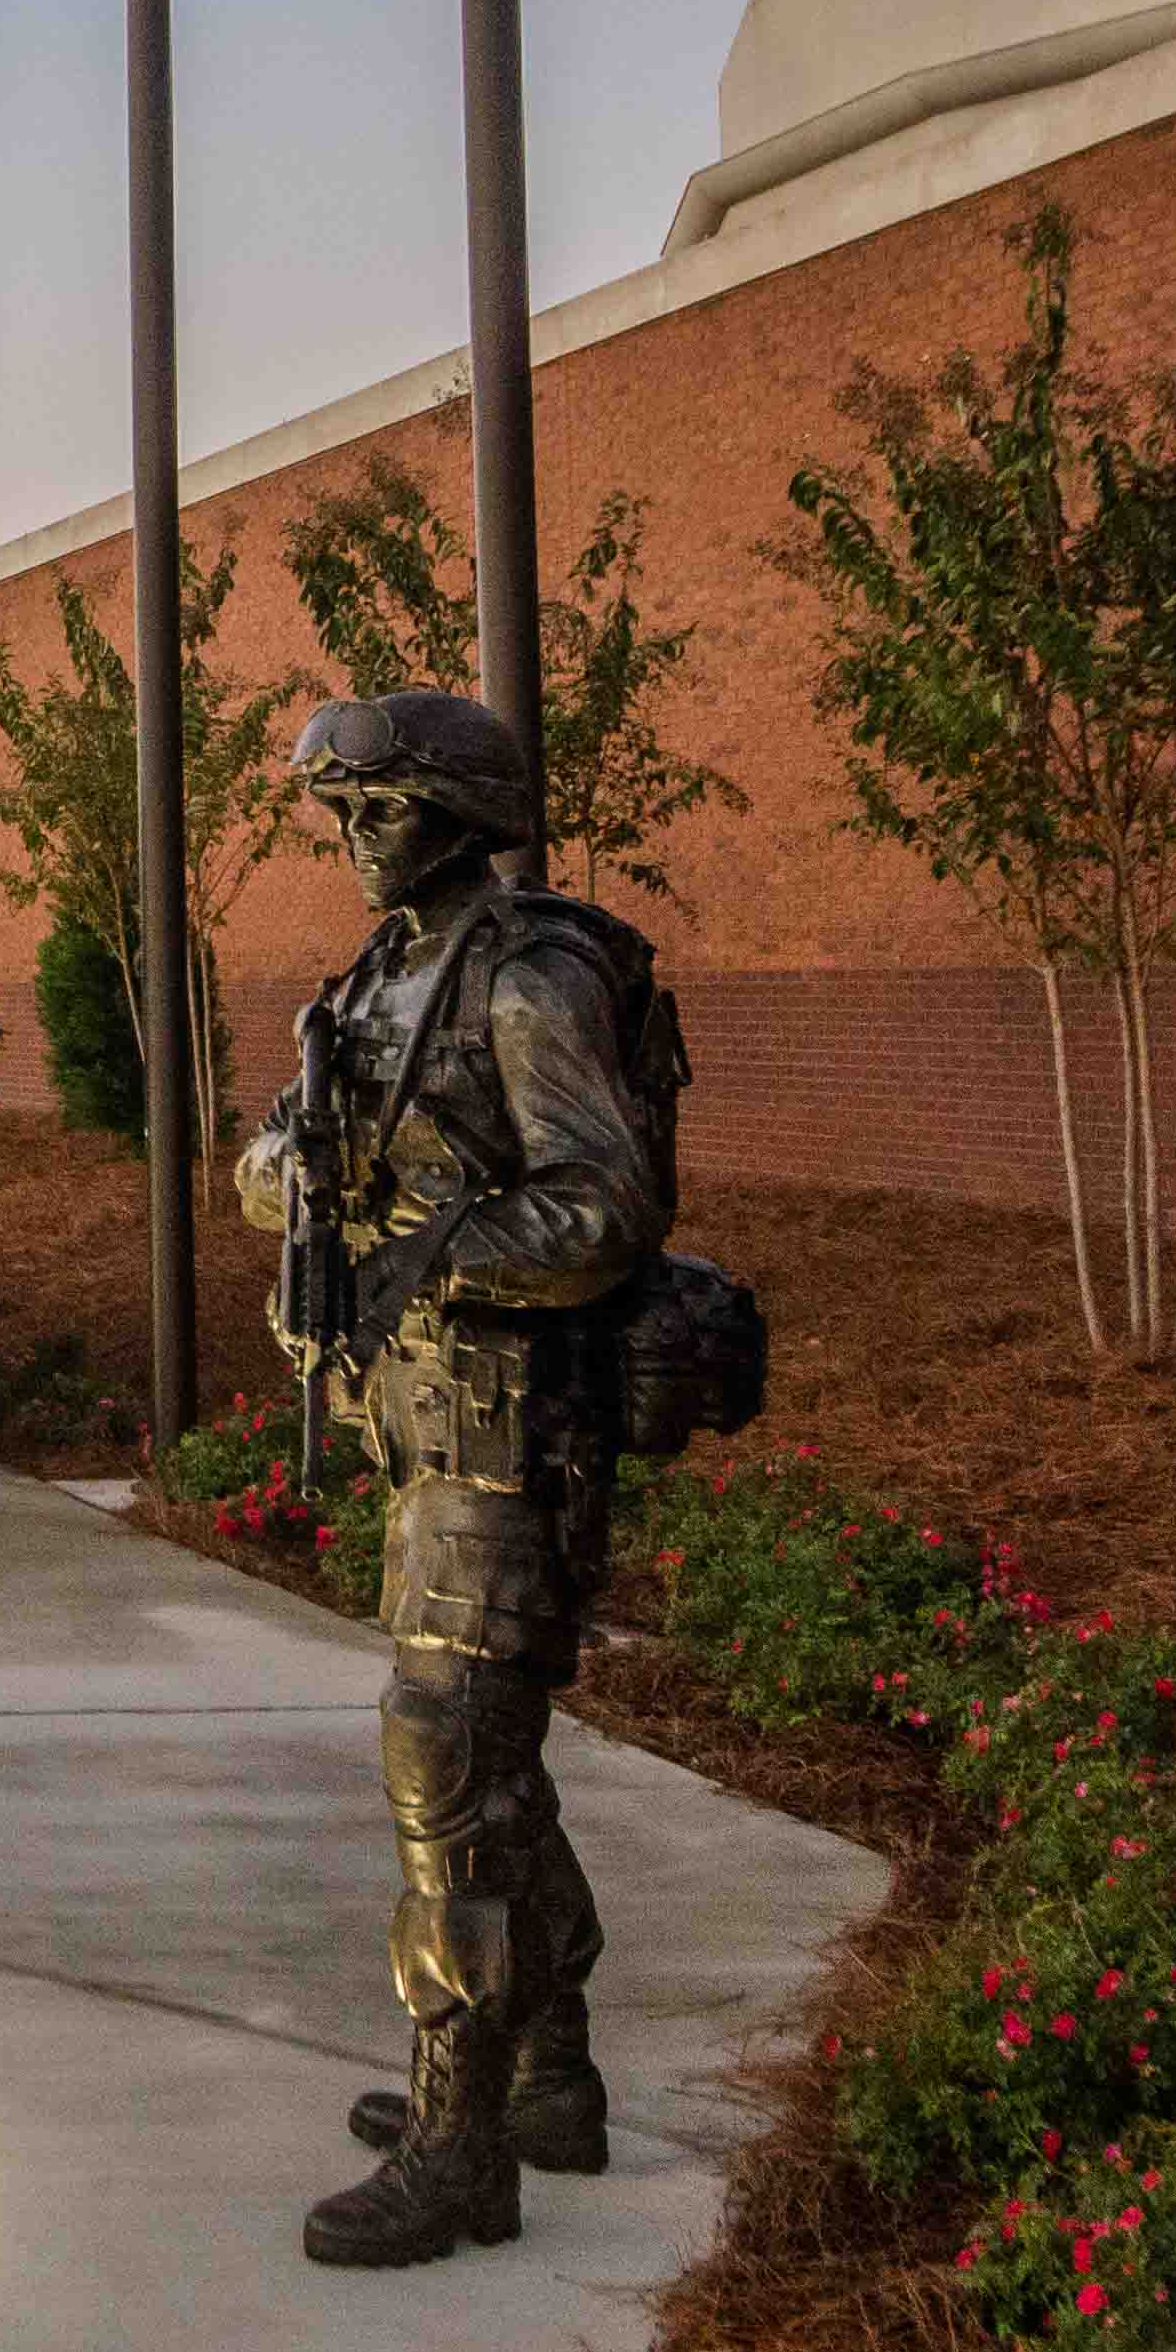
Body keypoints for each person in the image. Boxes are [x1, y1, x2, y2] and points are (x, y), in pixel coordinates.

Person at [239, 688, 670, 2268]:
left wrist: (425, 1256)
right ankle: (548, 2078)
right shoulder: (377, 981)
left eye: (380, 807)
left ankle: (461, 2145)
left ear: (459, 813)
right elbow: (271, 1155)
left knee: (441, 1757)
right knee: (489, 1767)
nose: (353, 836)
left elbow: (601, 1204)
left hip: (514, 1427)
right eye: (343, 811)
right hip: (424, 1426)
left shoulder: (527, 973)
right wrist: (295, 1180)